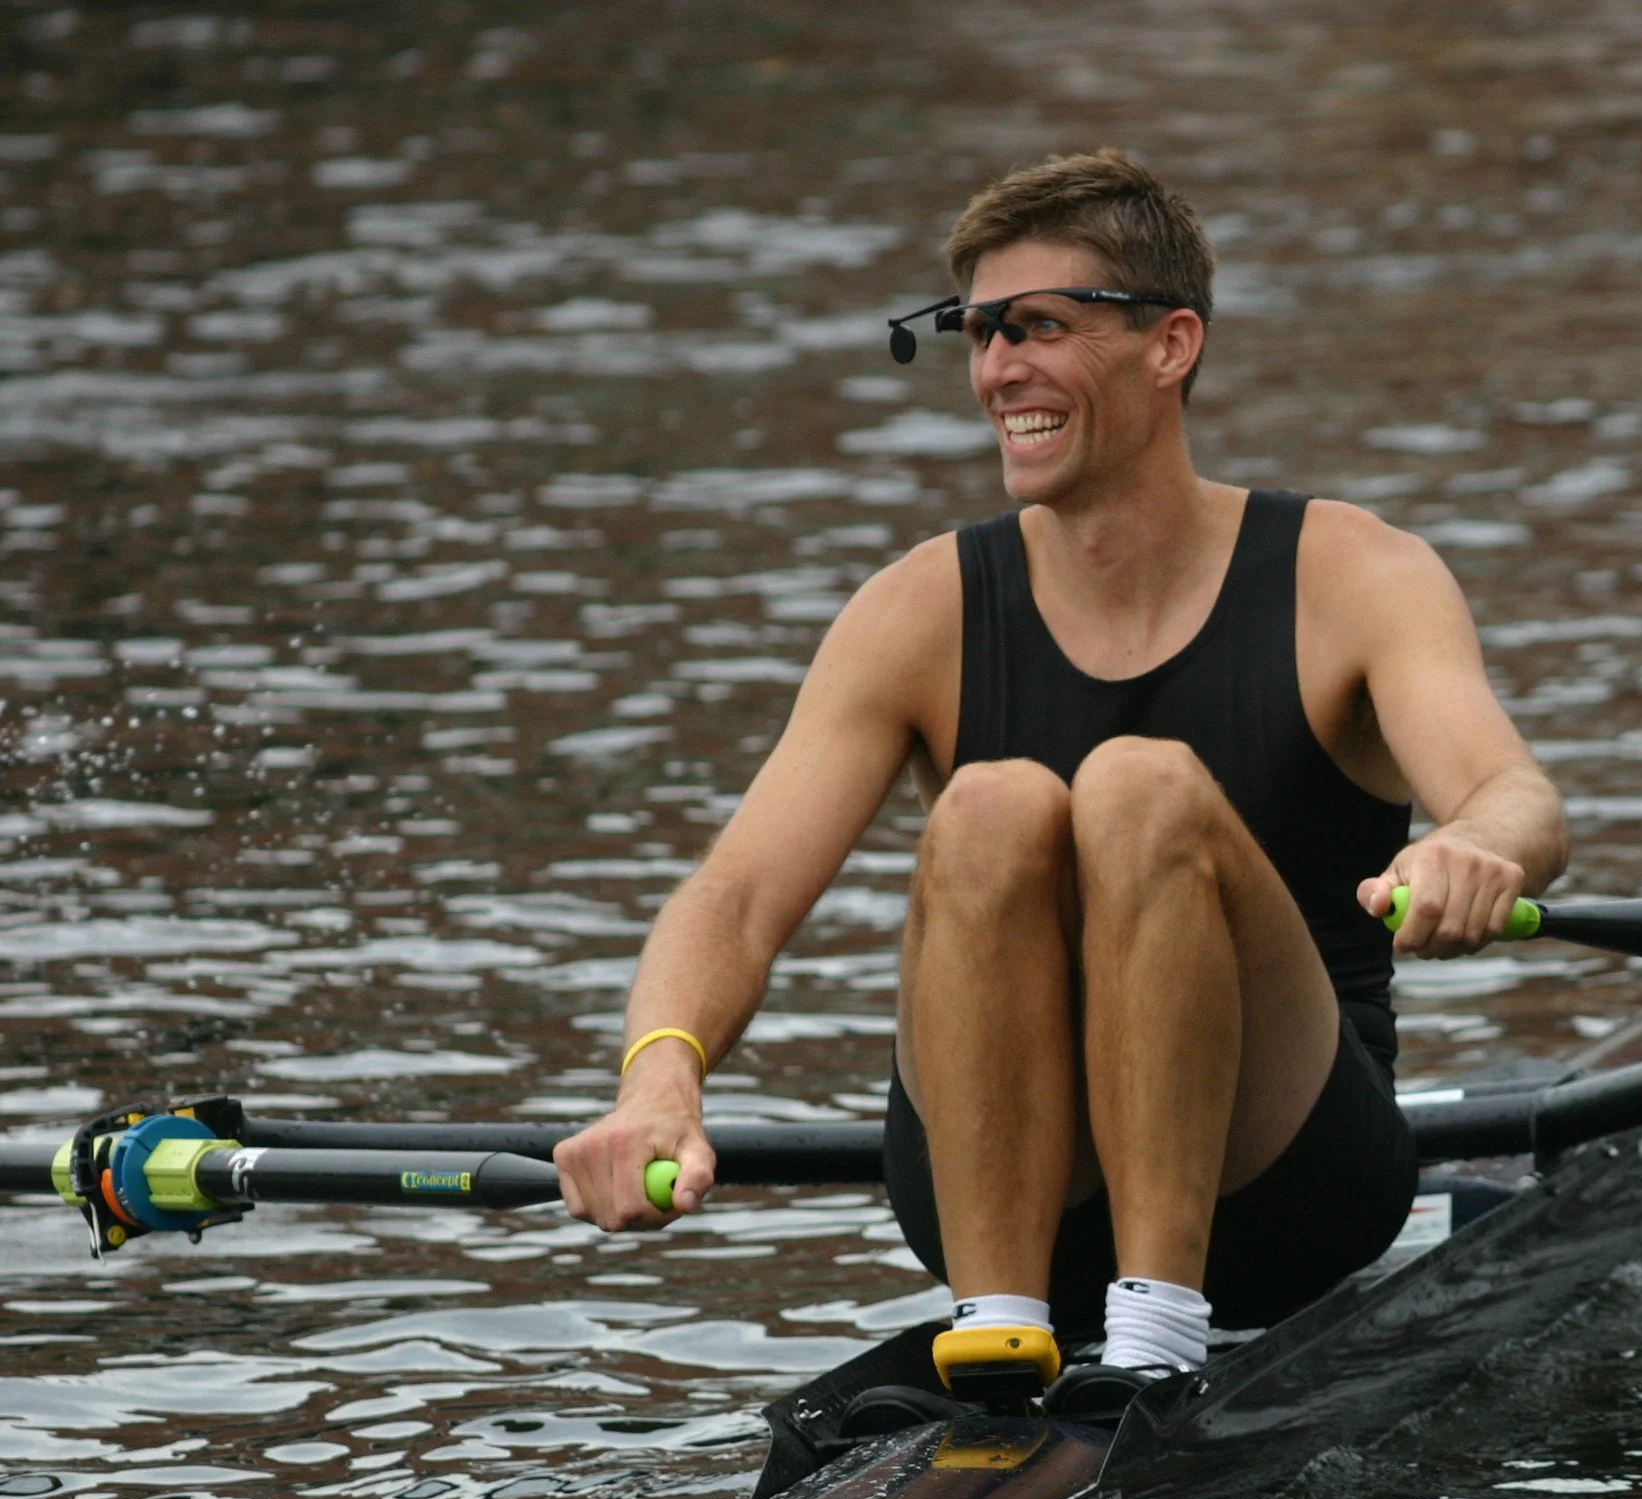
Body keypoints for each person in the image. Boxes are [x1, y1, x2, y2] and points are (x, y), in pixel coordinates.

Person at [554, 148, 1567, 1426]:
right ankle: (1002, 1327)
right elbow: (739, 894)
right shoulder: (918, 608)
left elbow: (1514, 793)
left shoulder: (1352, 574)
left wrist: (1474, 845)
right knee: (992, 804)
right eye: (976, 334)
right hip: (1000, 1201)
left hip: (1285, 1184)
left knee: (1138, 786)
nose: (995, 372)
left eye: (1037, 327)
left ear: (1170, 343)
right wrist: (659, 1074)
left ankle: (1154, 1332)